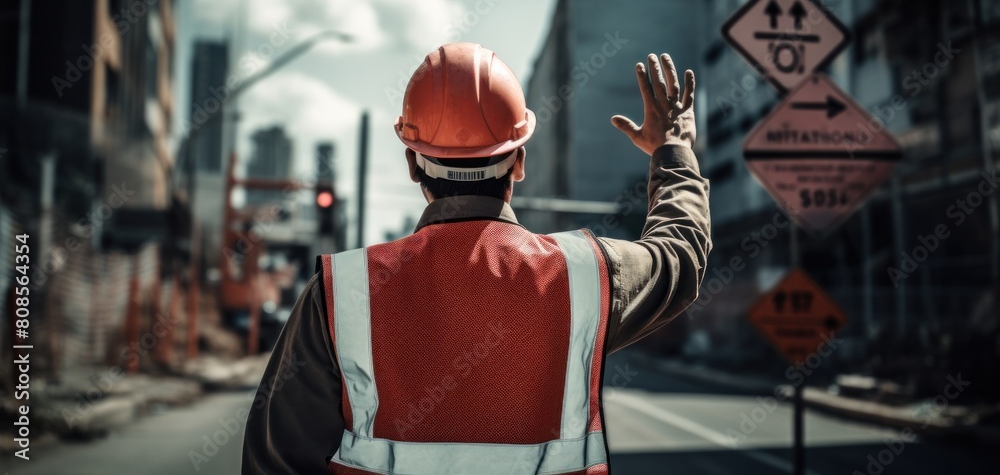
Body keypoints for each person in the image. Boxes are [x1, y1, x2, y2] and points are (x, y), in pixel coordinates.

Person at [242, 42, 711, 474]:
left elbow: (277, 462)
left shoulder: (340, 292)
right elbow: (681, 254)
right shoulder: (584, 276)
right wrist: (673, 151)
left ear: (412, 165)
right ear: (519, 162)